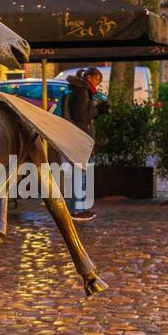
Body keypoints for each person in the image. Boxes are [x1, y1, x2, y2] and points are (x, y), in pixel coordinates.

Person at [63, 68, 106, 221]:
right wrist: (97, 110)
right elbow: (80, 116)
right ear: (88, 77)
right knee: (79, 175)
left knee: (82, 175)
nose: (97, 83)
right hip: (80, 139)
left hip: (82, 138)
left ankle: (81, 208)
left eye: (99, 81)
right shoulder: (81, 92)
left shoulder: (83, 91)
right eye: (96, 79)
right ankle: (76, 210)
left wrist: (96, 111)